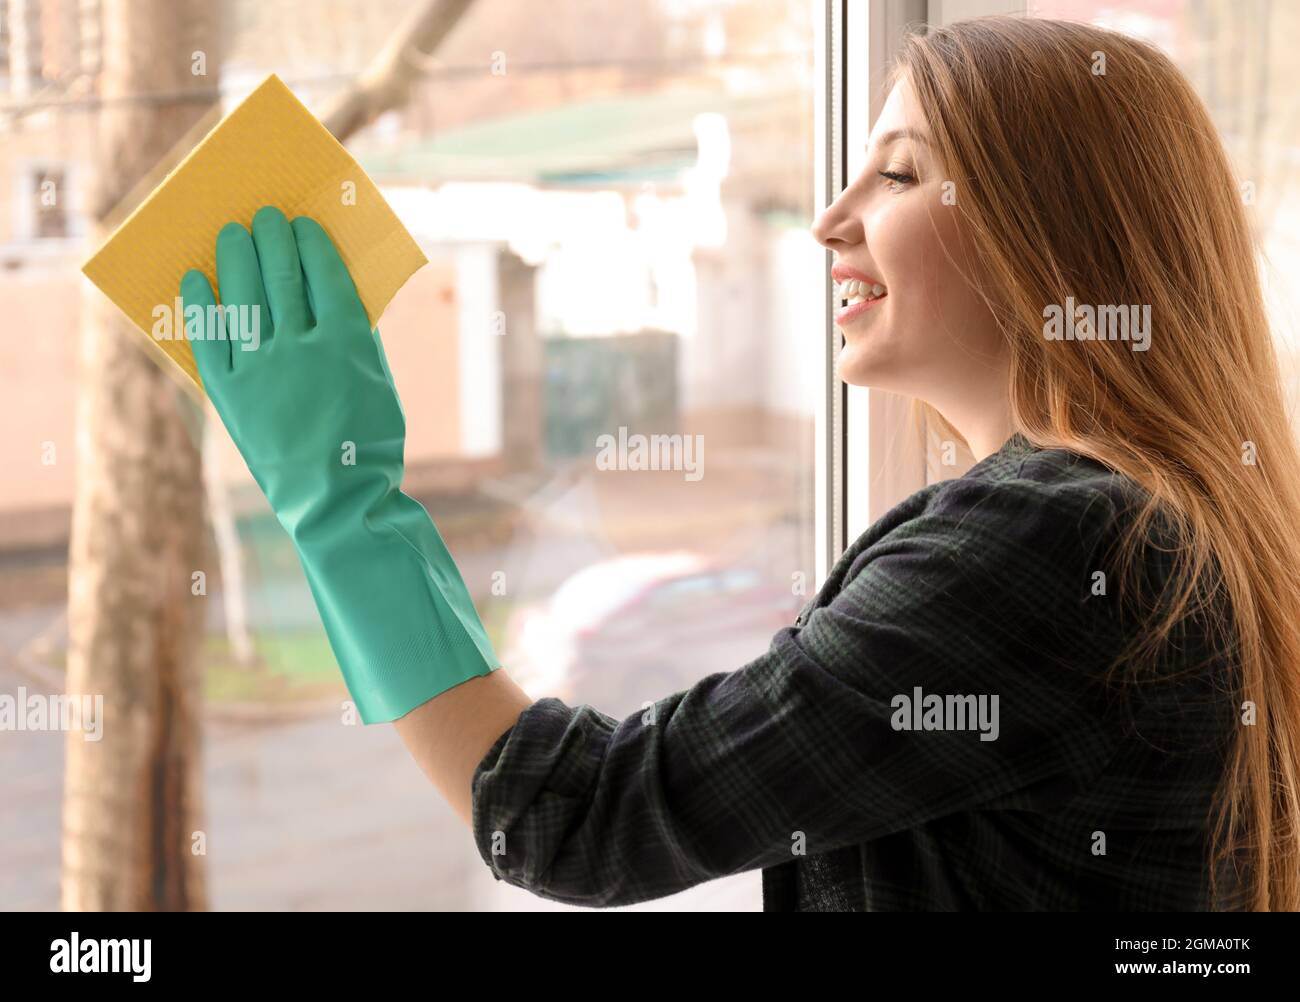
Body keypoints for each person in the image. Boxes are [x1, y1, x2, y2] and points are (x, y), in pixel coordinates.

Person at [181, 16, 1300, 911]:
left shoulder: (1053, 541)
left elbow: (581, 820)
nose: (829, 220)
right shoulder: (1156, 520)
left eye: (899, 178)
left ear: (1053, 235)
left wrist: (341, 507)